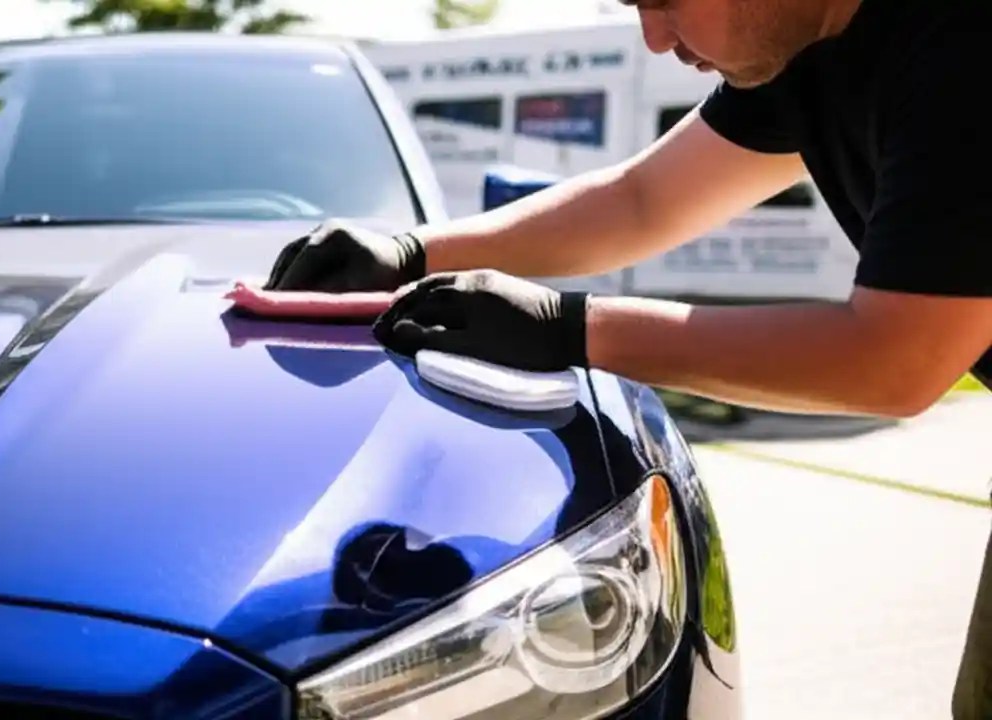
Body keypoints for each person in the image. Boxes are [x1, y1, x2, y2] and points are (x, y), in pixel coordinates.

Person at [262, 0, 992, 715]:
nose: (652, 38)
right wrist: (415, 252)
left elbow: (897, 358)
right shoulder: (805, 56)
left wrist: (573, 329)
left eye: (665, 2)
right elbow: (643, 199)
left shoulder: (961, 46)